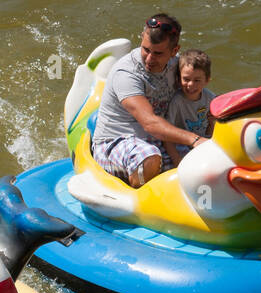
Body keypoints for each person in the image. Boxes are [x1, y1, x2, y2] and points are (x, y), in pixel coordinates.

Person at [91, 13, 208, 188]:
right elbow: (150, 123)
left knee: (202, 162)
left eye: (158, 53)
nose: (149, 59)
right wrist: (195, 139)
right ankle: (137, 201)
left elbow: (201, 93)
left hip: (156, 142)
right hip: (114, 142)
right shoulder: (127, 74)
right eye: (146, 49)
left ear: (174, 51)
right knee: (148, 157)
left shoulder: (176, 67)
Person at [162, 49, 216, 166]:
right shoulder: (176, 101)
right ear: (178, 78)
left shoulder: (210, 98)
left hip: (203, 142)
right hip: (181, 144)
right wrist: (176, 160)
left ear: (207, 80)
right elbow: (166, 135)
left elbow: (211, 132)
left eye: (197, 80)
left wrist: (212, 123)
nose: (191, 84)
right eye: (186, 79)